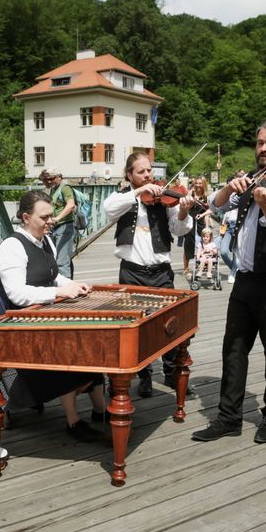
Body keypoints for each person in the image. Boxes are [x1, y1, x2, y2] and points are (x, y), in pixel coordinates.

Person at [192, 119, 266, 444]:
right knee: (233, 349)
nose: (263, 148)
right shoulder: (253, 180)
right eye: (260, 142)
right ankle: (228, 417)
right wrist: (230, 188)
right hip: (245, 279)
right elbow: (215, 205)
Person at [0, 190, 108, 440]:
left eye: (51, 216)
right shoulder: (11, 247)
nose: (50, 221)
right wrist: (59, 292)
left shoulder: (46, 241)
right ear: (25, 217)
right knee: (67, 349)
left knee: (90, 340)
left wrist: (74, 285)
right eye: (44, 217)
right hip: (11, 323)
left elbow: (53, 275)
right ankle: (73, 421)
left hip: (40, 314)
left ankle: (100, 409)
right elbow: (17, 294)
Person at [102, 153, 194, 397]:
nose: (148, 176)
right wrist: (137, 192)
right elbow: (108, 209)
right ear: (129, 175)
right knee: (138, 327)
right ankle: (144, 377)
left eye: (149, 171)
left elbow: (179, 228)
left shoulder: (164, 198)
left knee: (169, 324)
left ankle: (171, 371)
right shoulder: (122, 198)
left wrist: (183, 211)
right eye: (141, 172)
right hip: (132, 272)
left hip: (161, 272)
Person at [40, 167, 77, 279]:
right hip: (56, 228)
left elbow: (71, 205)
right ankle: (69, 283)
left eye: (52, 178)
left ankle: (67, 290)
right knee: (62, 258)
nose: (49, 181)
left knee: (61, 261)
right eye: (47, 179)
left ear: (60, 177)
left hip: (65, 226)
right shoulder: (53, 190)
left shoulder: (64, 188)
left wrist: (57, 218)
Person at [182, 177, 212, 279]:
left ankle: (203, 265)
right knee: (188, 244)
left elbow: (208, 212)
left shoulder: (206, 196)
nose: (198, 185)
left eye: (200, 183)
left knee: (204, 244)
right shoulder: (191, 193)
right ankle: (186, 268)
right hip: (190, 221)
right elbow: (185, 206)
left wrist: (207, 227)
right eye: (197, 183)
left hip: (200, 221)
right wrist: (190, 197)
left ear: (203, 184)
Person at [219, 188, 239, 284]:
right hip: (227, 225)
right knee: (223, 252)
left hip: (238, 225)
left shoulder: (243, 195)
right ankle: (234, 269)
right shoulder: (229, 195)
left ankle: (232, 273)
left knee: (236, 252)